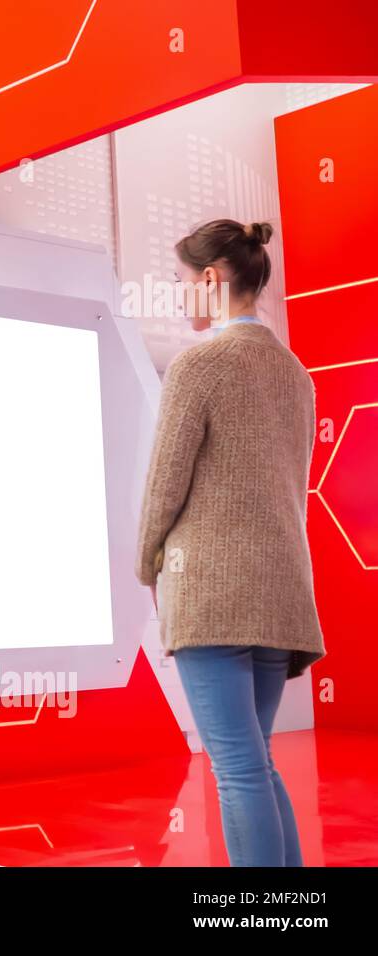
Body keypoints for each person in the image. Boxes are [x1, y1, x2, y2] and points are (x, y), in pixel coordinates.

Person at [135, 218, 325, 867]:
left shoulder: (200, 365)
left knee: (238, 769)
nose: (182, 295)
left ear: (211, 279)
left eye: (184, 283)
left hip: (213, 594)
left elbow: (165, 486)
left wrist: (147, 564)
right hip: (281, 595)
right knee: (257, 762)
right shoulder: (297, 377)